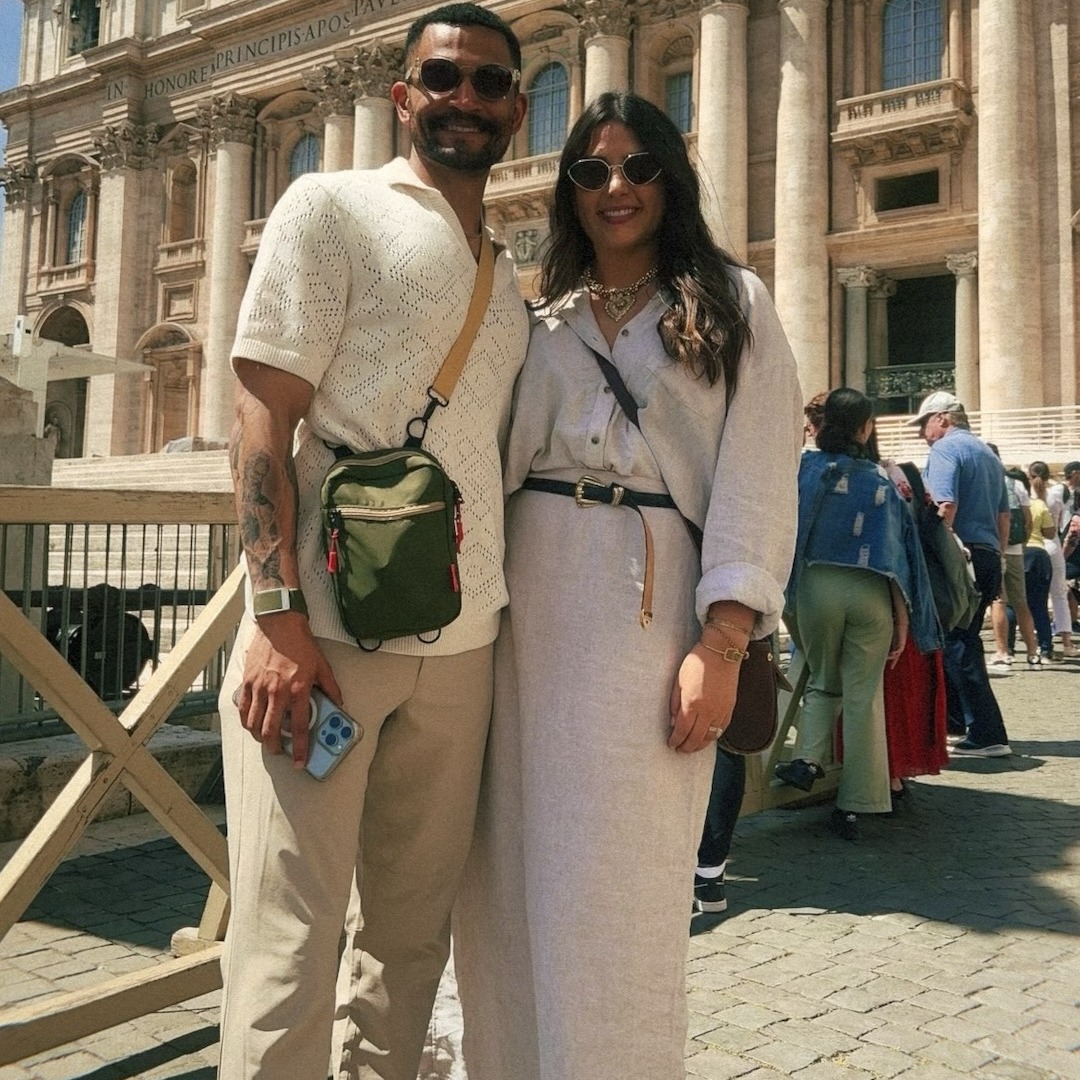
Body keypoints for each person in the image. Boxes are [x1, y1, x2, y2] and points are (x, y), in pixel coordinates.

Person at [452, 91, 802, 1080]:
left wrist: (722, 643)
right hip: (522, 621)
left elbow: (758, 477)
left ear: (670, 178)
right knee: (505, 882)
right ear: (568, 189)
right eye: (592, 170)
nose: (617, 187)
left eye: (638, 167)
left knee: (622, 891)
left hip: (651, 626)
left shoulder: (736, 303)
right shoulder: (542, 318)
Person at [215, 7, 529, 1078]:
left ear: (517, 110)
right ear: (402, 96)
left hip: (462, 649)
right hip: (322, 643)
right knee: (288, 944)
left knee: (408, 942)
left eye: (491, 83)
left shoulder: (505, 271)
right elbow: (261, 417)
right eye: (442, 77)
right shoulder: (329, 205)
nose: (464, 97)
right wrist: (275, 617)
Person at [775, 389, 941, 840]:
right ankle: (859, 803)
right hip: (872, 595)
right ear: (866, 428)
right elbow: (899, 557)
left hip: (815, 586)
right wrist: (904, 622)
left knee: (822, 677)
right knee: (864, 696)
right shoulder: (880, 481)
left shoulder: (802, 471)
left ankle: (806, 759)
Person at [909, 391, 1012, 758]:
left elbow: (944, 505)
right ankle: (956, 721)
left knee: (956, 640)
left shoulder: (945, 450)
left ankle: (986, 731)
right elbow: (1004, 516)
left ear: (942, 418)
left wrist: (932, 552)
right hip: (987, 553)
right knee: (962, 638)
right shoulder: (987, 454)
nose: (923, 433)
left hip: (959, 554)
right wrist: (997, 557)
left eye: (924, 424)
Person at [987, 450, 1040, 670]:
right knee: (1021, 602)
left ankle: (1002, 652)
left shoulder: (987, 483)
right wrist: (1022, 542)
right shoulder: (1016, 484)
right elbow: (1028, 519)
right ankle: (1033, 654)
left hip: (993, 546)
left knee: (998, 601)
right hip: (1016, 549)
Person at [1029, 461, 1079, 656]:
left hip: (1033, 544)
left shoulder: (1026, 496)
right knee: (1059, 594)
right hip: (1053, 543)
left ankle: (1037, 642)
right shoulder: (1057, 493)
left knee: (1033, 596)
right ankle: (1067, 643)